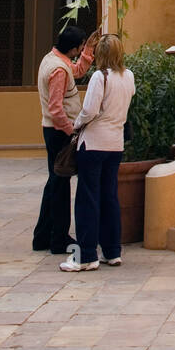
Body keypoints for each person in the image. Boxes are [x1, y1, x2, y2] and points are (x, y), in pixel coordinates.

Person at [59, 33, 135, 272]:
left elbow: (89, 109)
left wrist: (77, 124)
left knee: (87, 199)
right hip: (115, 144)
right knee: (109, 196)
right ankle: (112, 251)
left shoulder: (99, 78)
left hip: (93, 144)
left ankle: (86, 255)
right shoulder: (128, 76)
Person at [33, 25, 98, 254]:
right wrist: (71, 130)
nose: (80, 51)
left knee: (54, 183)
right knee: (60, 186)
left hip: (53, 130)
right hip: (59, 132)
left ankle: (42, 236)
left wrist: (89, 49)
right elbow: (56, 108)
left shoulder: (52, 59)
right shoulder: (59, 70)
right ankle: (58, 239)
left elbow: (77, 71)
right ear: (72, 48)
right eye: (80, 47)